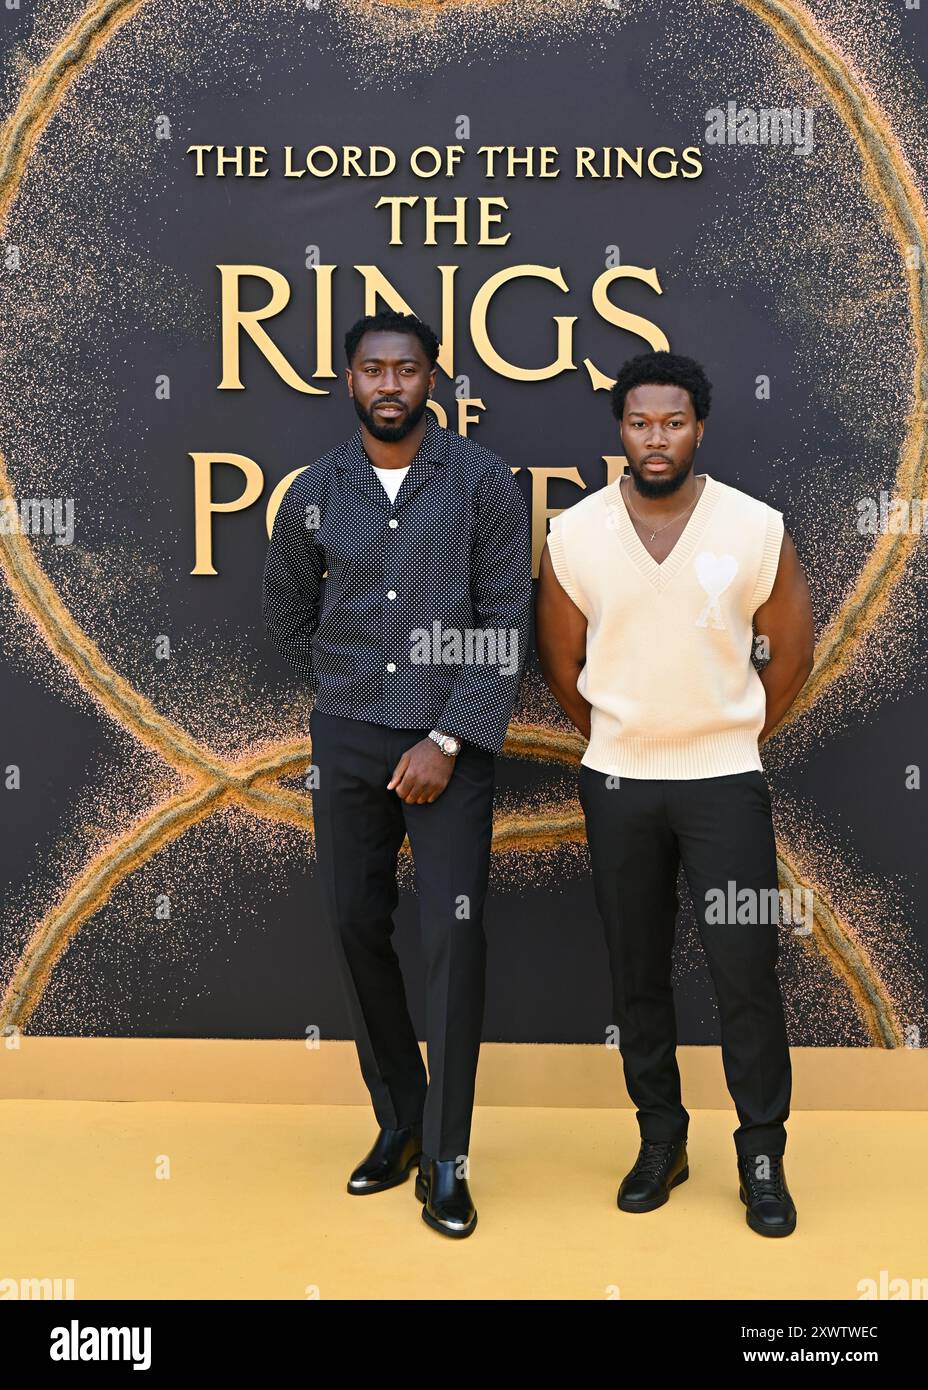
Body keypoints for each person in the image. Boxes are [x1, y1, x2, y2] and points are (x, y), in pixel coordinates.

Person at [262, 310, 532, 1239]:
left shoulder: (484, 483)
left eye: (406, 369)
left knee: (454, 943)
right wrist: (349, 698)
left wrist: (446, 738)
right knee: (349, 922)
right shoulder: (314, 490)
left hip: (447, 746)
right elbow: (288, 610)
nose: (389, 385)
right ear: (349, 381)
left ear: (433, 381)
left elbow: (505, 622)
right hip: (346, 738)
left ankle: (449, 1162)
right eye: (373, 369)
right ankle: (402, 1124)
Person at [535, 350, 814, 1237]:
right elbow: (563, 667)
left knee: (746, 974)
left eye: (674, 422)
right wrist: (629, 737)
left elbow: (791, 654)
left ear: (701, 426)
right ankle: (662, 1140)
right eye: (640, 423)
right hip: (619, 783)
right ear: (620, 429)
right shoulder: (576, 534)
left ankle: (761, 1156)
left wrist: (725, 736)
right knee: (638, 974)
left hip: (726, 785)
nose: (656, 439)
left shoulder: (754, 527)